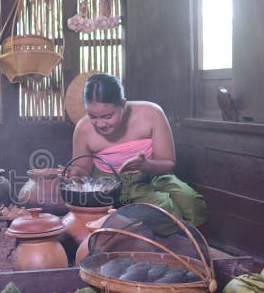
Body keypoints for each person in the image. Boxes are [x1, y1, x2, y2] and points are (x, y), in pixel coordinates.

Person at [69, 73, 208, 227]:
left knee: (191, 202)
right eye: (93, 116)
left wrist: (146, 165)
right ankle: (168, 243)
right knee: (165, 208)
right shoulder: (83, 128)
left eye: (108, 116)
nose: (100, 124)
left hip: (154, 174)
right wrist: (76, 173)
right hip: (112, 184)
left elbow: (168, 163)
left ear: (122, 104)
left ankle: (191, 241)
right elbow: (83, 171)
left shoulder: (152, 113)